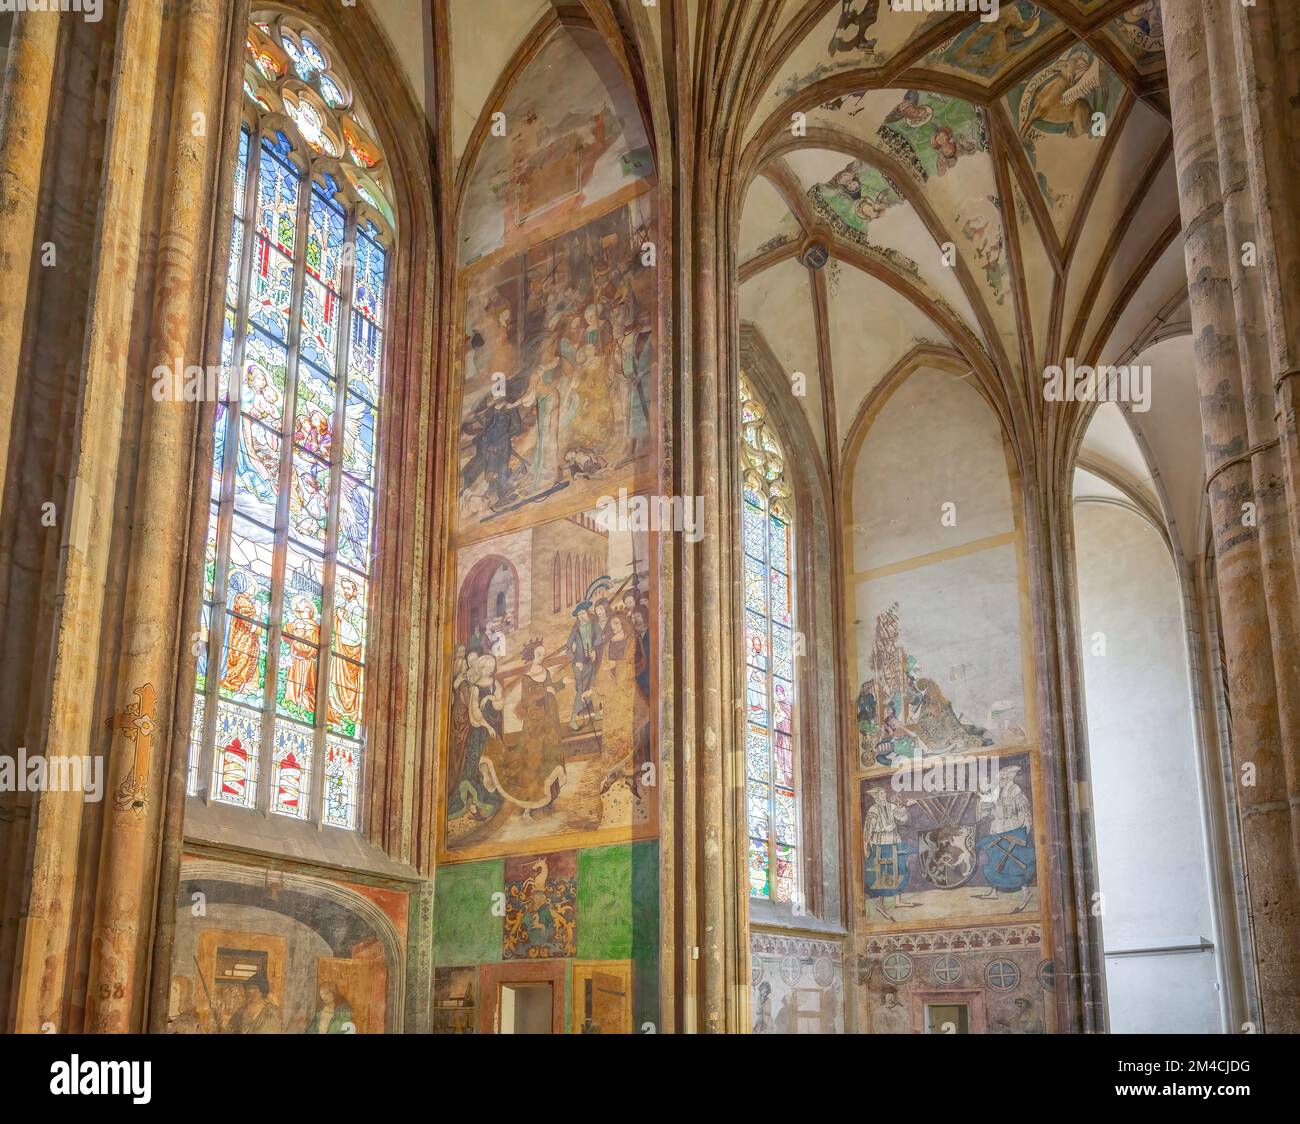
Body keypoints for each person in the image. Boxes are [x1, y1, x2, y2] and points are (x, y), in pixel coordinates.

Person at [479, 640, 568, 821]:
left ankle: (546, 801)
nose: (541, 658)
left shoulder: (546, 673)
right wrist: (546, 691)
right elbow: (526, 701)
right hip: (533, 726)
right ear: (532, 656)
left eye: (543, 654)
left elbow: (551, 689)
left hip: (549, 724)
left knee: (549, 757)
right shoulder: (526, 677)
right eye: (538, 655)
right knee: (533, 761)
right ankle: (530, 805)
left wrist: (561, 684)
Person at [566, 602, 604, 730]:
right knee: (581, 689)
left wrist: (594, 649)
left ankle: (597, 713)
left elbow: (600, 637)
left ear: (587, 613)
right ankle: (572, 719)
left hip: (592, 660)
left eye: (583, 613)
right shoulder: (576, 629)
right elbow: (568, 647)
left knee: (592, 685)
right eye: (579, 615)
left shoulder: (594, 625)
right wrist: (575, 660)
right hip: (579, 664)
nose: (581, 617)